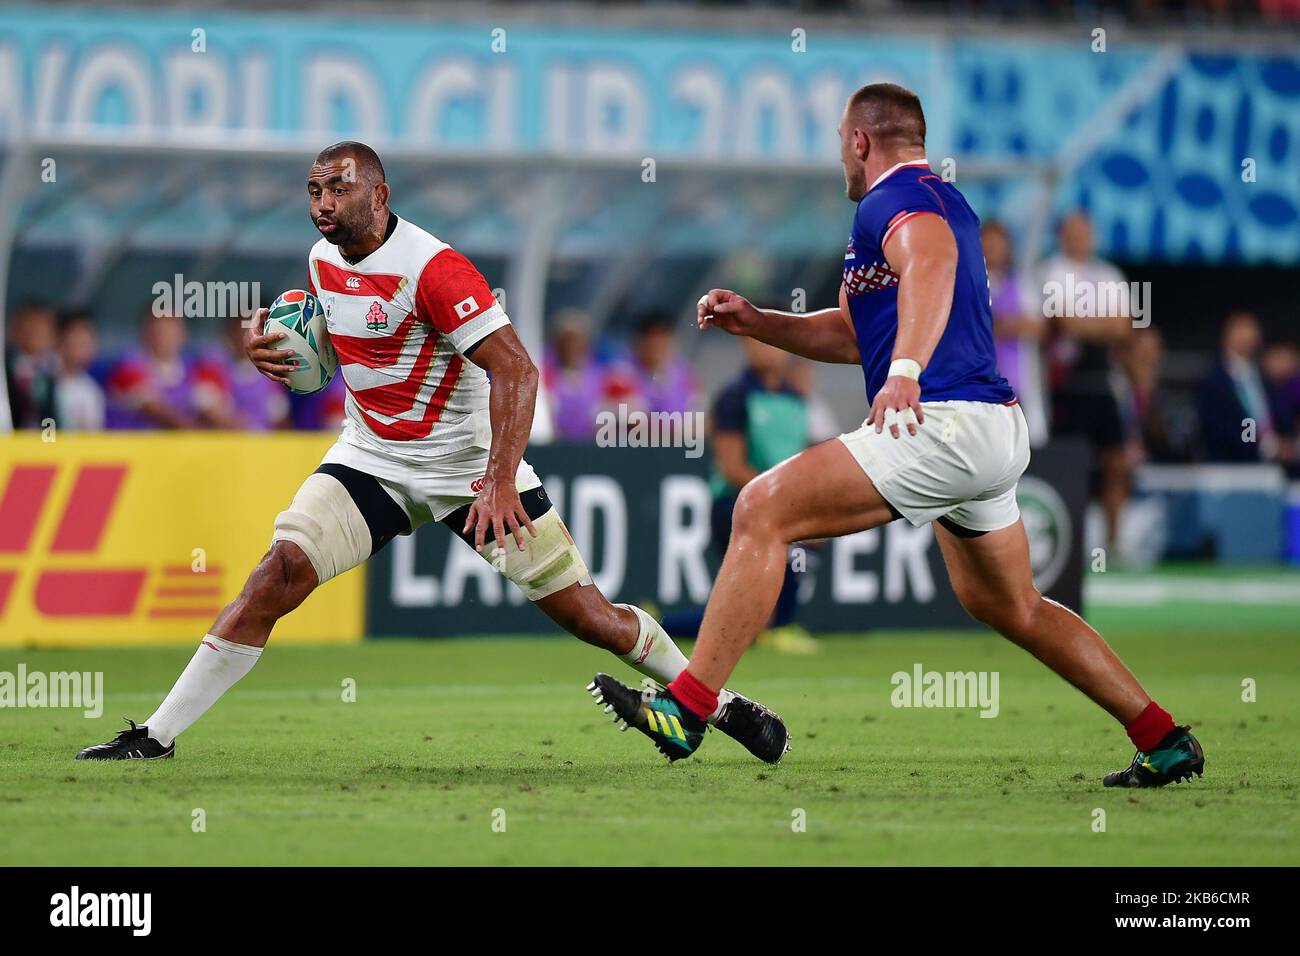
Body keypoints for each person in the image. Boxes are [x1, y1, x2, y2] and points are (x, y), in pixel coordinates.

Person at [76, 141, 787, 764]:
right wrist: (284, 351)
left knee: (591, 619)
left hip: (469, 468)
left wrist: (501, 482)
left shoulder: (437, 270)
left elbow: (517, 369)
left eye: (339, 187)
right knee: (277, 573)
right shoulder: (322, 260)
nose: (323, 203)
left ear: (380, 196)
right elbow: (337, 333)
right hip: (373, 459)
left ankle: (717, 707)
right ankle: (156, 736)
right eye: (315, 190)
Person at [587, 84, 1204, 789]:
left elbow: (932, 267)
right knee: (1011, 604)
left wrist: (906, 370)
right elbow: (855, 334)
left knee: (761, 509)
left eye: (839, 146)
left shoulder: (893, 199)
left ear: (859, 141)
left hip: (941, 421)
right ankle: (1163, 738)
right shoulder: (941, 201)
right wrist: (761, 322)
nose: (839, 162)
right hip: (993, 428)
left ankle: (687, 709)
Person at [660, 337, 817, 654]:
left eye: (774, 341)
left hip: (782, 505)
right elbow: (732, 468)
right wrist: (788, 496)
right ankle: (777, 627)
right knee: (747, 607)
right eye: (760, 342)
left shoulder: (797, 400)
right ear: (747, 345)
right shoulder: (735, 397)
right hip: (737, 506)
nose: (769, 349)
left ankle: (659, 624)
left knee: (747, 611)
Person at [1039, 211, 1134, 550]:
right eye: (1073, 232)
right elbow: (1062, 322)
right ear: (1063, 235)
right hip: (1067, 386)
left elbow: (1123, 327)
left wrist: (1084, 323)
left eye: (1085, 232)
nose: (1080, 238)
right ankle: (1072, 545)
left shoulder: (1110, 275)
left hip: (1103, 383)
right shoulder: (1051, 270)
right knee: (1070, 465)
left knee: (1116, 462)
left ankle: (1114, 542)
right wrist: (1101, 324)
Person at [981, 220, 1048, 446]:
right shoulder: (971, 282)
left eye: (997, 245)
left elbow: (1038, 327)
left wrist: (999, 324)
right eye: (987, 244)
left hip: (1020, 386)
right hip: (981, 386)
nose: (992, 250)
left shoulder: (1023, 284)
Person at [104, 309, 227, 429]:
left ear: (184, 333)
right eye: (159, 329)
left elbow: (214, 411)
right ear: (144, 332)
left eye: (171, 328)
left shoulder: (197, 368)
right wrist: (197, 433)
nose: (164, 335)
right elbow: (158, 411)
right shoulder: (127, 367)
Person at [1197, 310, 1275, 462]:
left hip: (1267, 465)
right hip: (1229, 467)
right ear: (1227, 334)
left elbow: (1271, 415)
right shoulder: (1212, 381)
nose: (1246, 335)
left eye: (1251, 329)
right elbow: (1217, 428)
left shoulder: (1263, 377)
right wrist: (1261, 443)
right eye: (1241, 328)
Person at [541, 309, 605, 442]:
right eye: (567, 341)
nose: (572, 346)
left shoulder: (601, 377)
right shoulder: (543, 375)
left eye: (577, 341)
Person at [4, 301, 58, 428]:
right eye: (30, 329)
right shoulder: (6, 367)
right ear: (15, 330)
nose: (35, 335)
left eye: (41, 330)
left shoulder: (50, 371)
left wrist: (49, 442)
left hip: (42, 442)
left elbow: (49, 415)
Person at [52, 311, 106, 431]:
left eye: (87, 341)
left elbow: (91, 437)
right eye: (77, 338)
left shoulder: (90, 390)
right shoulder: (39, 376)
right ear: (59, 339)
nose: (83, 346)